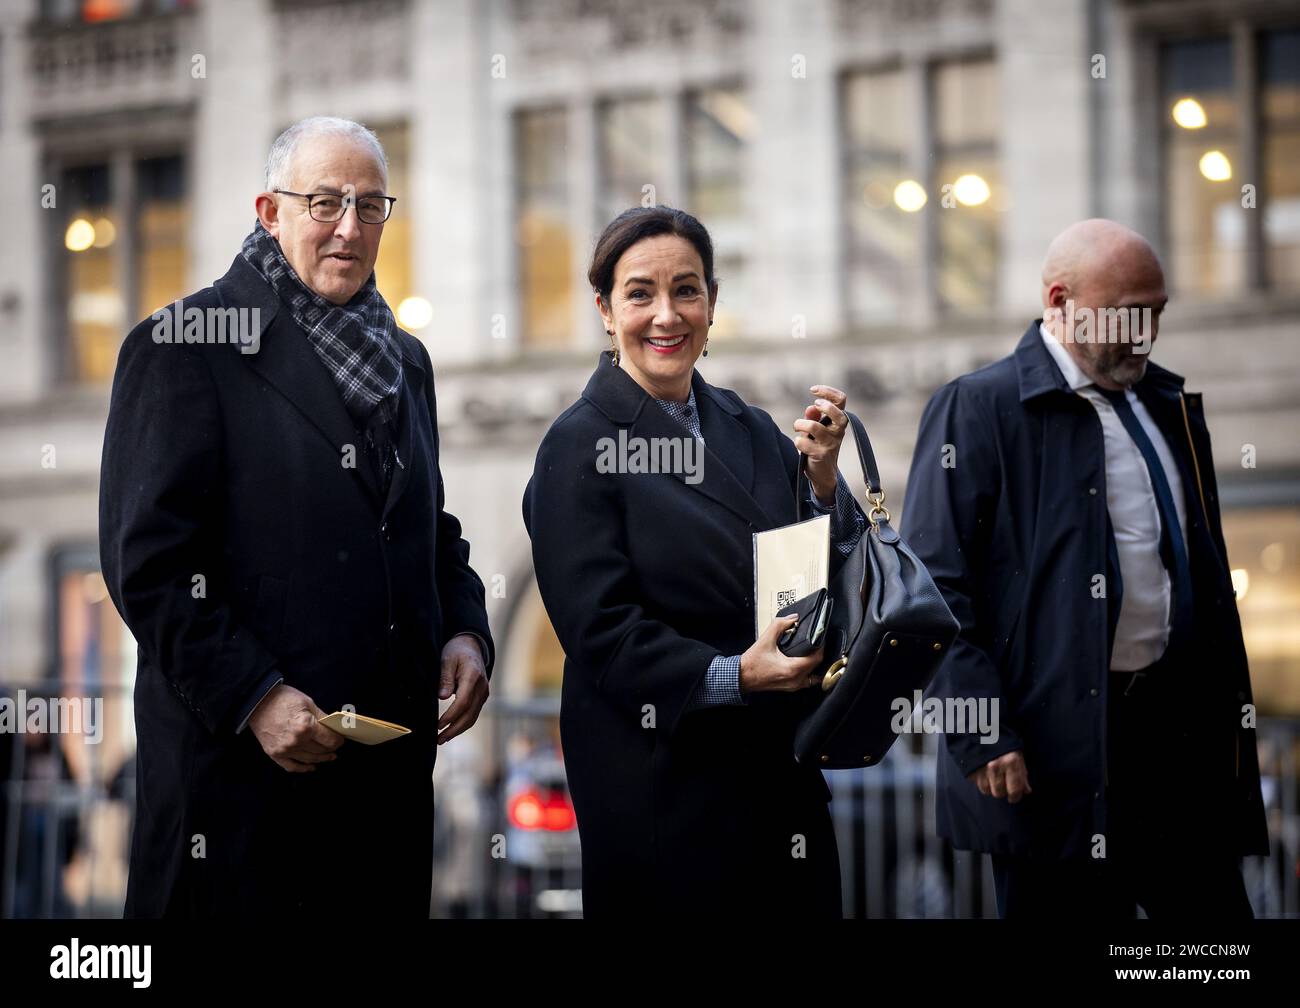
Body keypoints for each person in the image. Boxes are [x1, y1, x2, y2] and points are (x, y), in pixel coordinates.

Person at [99, 116, 494, 917]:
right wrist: (254, 695)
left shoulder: (407, 361)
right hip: (241, 797)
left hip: (381, 804)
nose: (350, 227)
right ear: (269, 211)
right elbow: (149, 565)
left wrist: (466, 629)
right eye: (324, 202)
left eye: (371, 205)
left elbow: (428, 528)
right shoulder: (184, 344)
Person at [902, 218, 1268, 918]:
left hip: (1177, 750)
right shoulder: (977, 408)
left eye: (1156, 313)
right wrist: (982, 731)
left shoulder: (1167, 407)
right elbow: (931, 588)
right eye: (1129, 313)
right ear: (1060, 300)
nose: (1146, 334)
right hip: (1049, 763)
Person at [523, 205, 865, 917]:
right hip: (664, 801)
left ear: (713, 303)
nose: (666, 314)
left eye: (686, 290)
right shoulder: (576, 446)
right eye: (640, 292)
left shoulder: (751, 426)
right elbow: (603, 636)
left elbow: (823, 571)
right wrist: (738, 675)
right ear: (605, 312)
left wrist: (827, 485)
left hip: (780, 785)